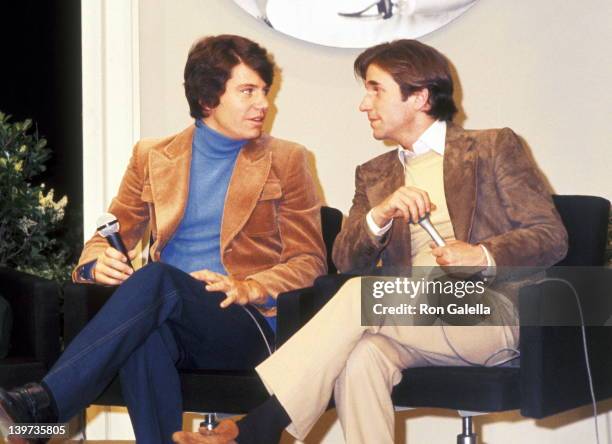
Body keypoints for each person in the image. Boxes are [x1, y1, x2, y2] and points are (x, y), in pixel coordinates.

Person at [171, 39, 568, 444]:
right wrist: (380, 216)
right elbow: (344, 260)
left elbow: (550, 236)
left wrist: (481, 254)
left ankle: (258, 426)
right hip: (414, 320)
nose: (364, 104)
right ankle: (260, 426)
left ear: (419, 96)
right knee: (362, 358)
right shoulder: (375, 175)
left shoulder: (492, 147)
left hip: (489, 312)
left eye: (376, 89)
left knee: (361, 298)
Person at [0, 34, 326, 444]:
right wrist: (96, 260)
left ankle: (45, 407)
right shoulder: (152, 156)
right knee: (145, 333)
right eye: (248, 91)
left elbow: (310, 261)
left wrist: (250, 287)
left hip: (247, 322)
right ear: (208, 100)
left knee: (156, 279)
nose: (264, 103)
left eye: (264, 91)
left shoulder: (287, 159)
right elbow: (108, 231)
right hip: (170, 316)